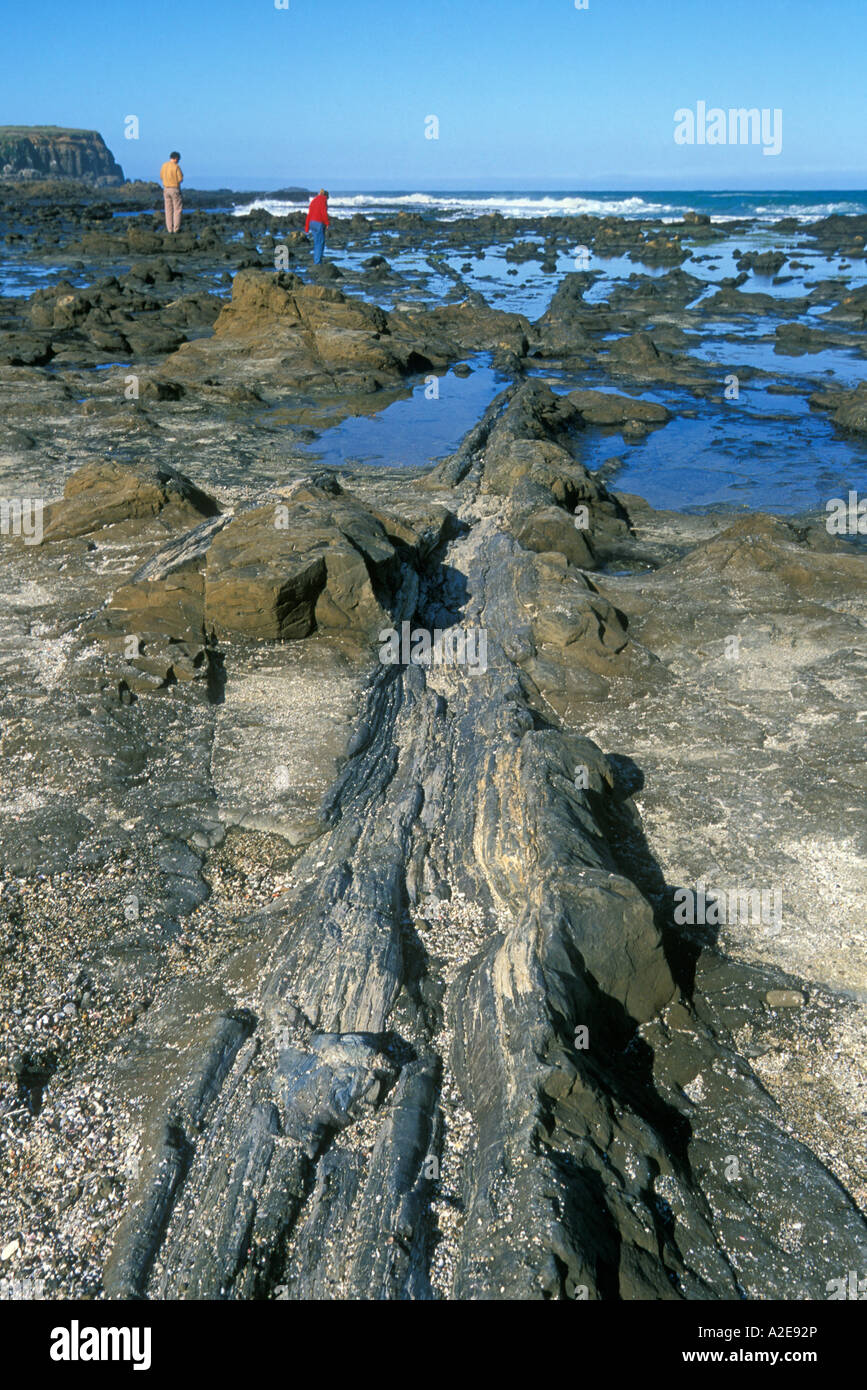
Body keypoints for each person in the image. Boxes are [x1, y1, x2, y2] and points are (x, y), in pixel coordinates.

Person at [160, 151, 184, 234]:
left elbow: (161, 176)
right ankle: (176, 229)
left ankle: (169, 229)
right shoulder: (176, 167)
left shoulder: (164, 165)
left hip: (166, 189)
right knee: (177, 209)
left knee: (168, 209)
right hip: (175, 189)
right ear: (176, 158)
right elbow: (180, 179)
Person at [305, 188, 330, 264]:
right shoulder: (323, 199)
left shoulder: (314, 200)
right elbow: (323, 212)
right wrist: (327, 223)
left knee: (316, 242)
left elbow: (309, 214)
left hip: (312, 223)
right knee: (320, 242)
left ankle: (316, 261)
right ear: (326, 196)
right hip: (319, 223)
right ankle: (318, 262)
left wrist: (306, 227)